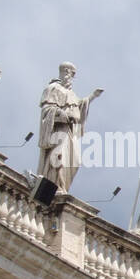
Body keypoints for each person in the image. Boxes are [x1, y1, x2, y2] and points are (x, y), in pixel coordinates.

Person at [37, 62, 103, 193]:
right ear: (65, 71)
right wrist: (60, 113)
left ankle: (62, 187)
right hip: (59, 130)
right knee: (59, 158)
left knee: (75, 160)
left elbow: (78, 106)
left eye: (73, 74)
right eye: (72, 73)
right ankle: (55, 187)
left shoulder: (71, 93)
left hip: (69, 131)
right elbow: (46, 109)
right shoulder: (53, 88)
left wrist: (92, 97)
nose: (72, 77)